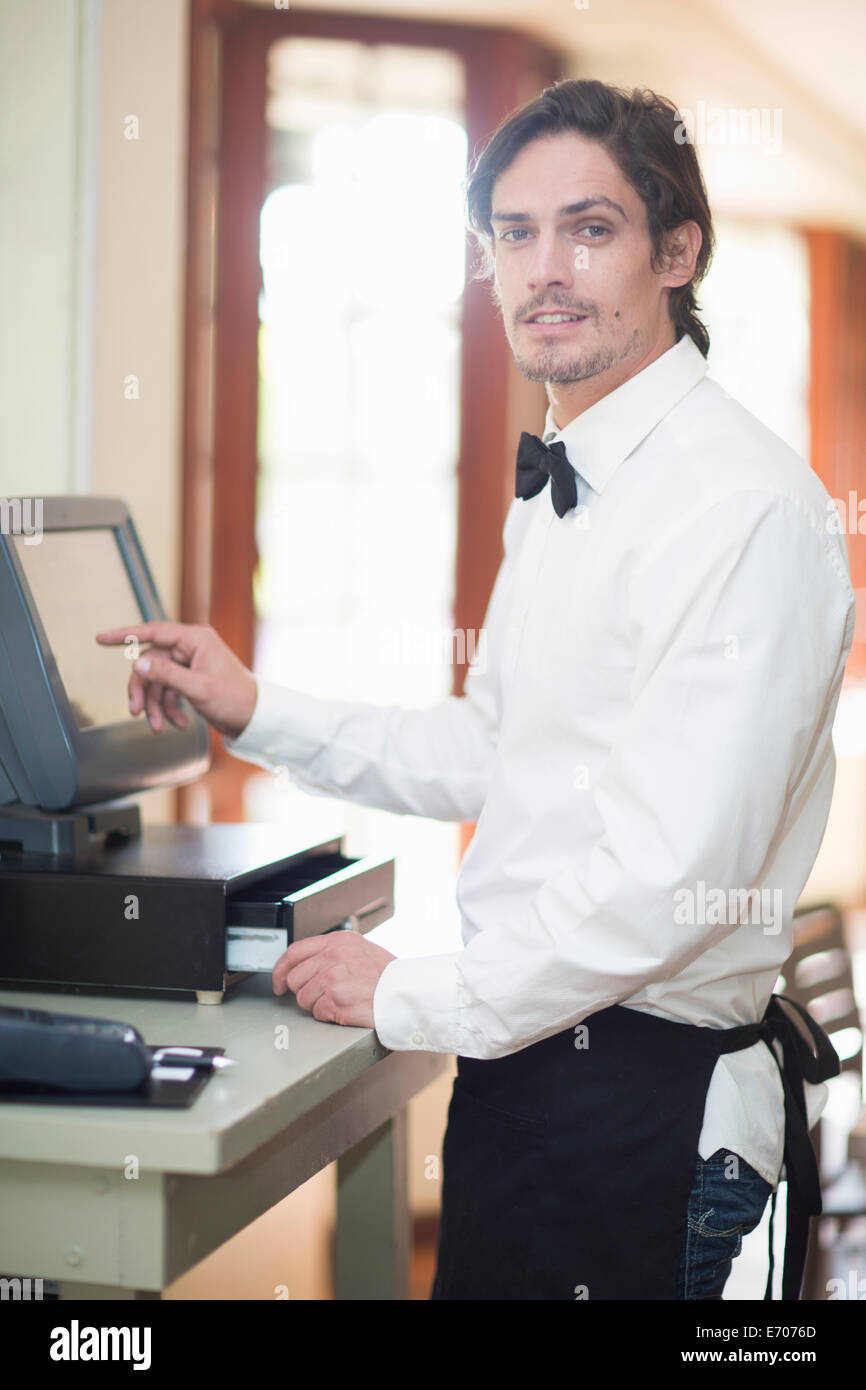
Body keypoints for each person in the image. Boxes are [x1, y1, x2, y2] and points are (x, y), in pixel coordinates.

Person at [99, 78, 853, 1302]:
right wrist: (252, 706)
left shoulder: (744, 512)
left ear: (677, 252)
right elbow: (492, 749)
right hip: (535, 1066)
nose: (542, 268)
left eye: (588, 229)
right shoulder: (567, 483)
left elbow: (661, 885)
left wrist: (410, 989)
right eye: (512, 233)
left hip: (637, 1104)